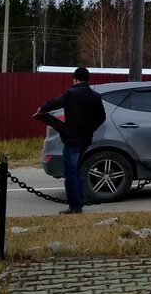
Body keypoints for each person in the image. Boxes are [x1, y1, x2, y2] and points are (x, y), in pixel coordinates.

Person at [34, 66, 106, 214]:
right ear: (87, 79)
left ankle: (75, 205)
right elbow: (102, 117)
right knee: (78, 169)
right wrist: (91, 128)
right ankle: (79, 198)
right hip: (86, 138)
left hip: (72, 139)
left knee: (70, 171)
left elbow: (55, 103)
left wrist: (42, 109)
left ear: (75, 79)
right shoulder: (95, 96)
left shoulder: (71, 93)